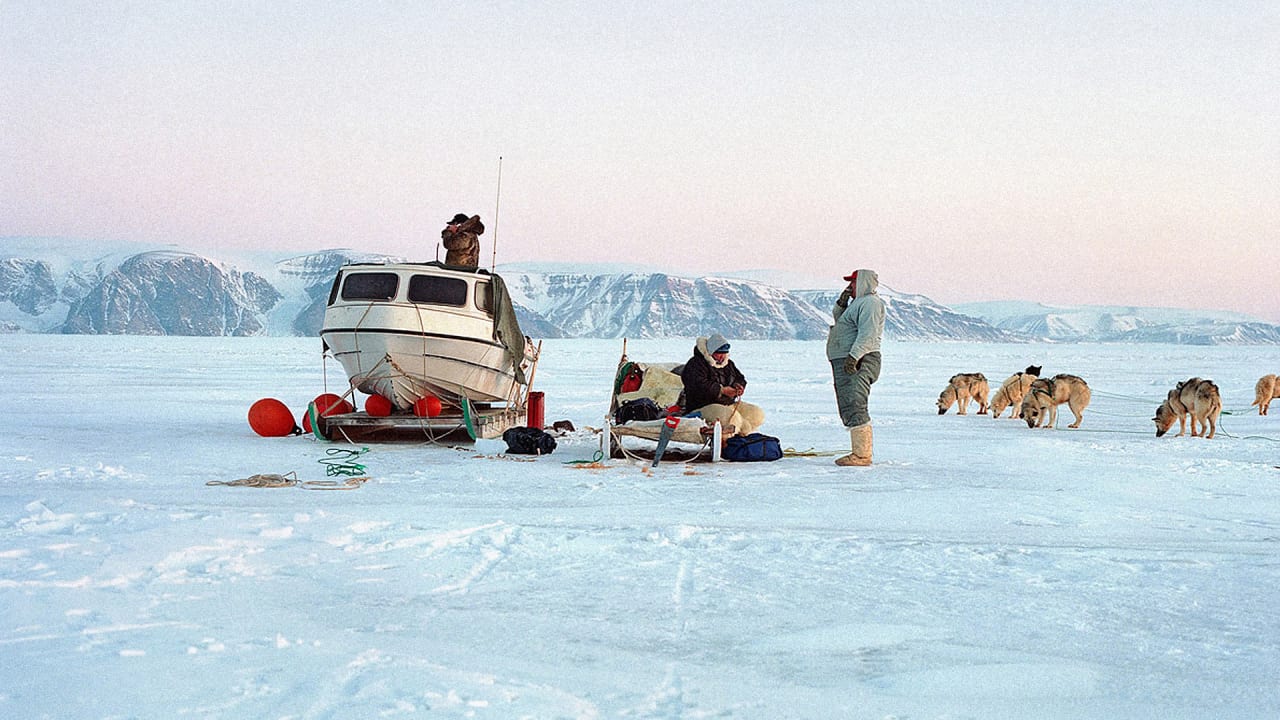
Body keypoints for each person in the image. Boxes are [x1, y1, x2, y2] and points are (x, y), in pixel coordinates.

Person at [826, 269, 886, 466]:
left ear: (862, 283)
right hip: (847, 358)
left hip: (859, 360)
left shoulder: (870, 303)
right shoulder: (859, 303)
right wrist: (841, 305)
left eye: (852, 283)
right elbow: (844, 323)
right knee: (849, 403)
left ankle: (862, 455)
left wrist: (854, 357)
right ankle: (859, 452)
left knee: (855, 402)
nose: (849, 286)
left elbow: (868, 334)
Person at [680, 333, 765, 437]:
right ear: (710, 352)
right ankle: (726, 443)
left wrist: (738, 386)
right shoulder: (695, 364)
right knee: (730, 419)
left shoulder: (728, 364)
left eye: (724, 353)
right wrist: (721, 390)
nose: (722, 356)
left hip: (727, 403)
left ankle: (738, 440)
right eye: (719, 353)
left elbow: (739, 378)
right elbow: (698, 385)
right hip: (702, 406)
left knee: (756, 414)